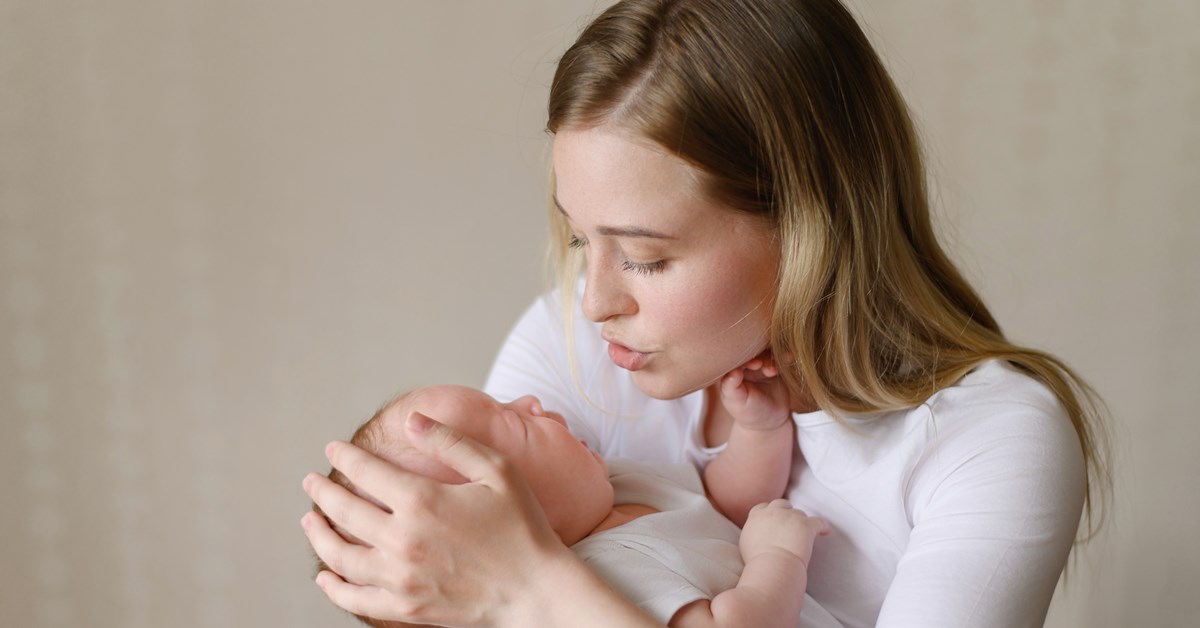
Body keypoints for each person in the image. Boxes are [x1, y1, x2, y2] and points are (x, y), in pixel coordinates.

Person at [301, 1, 1111, 626]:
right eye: (582, 241)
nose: (596, 303)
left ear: (808, 223)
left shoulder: (986, 443)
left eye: (646, 256)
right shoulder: (570, 344)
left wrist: (526, 589)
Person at [312, 384, 828, 628]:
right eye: (514, 422)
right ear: (519, 515)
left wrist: (759, 431)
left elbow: (719, 502)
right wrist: (776, 560)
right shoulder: (607, 579)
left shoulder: (617, 485)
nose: (531, 401)